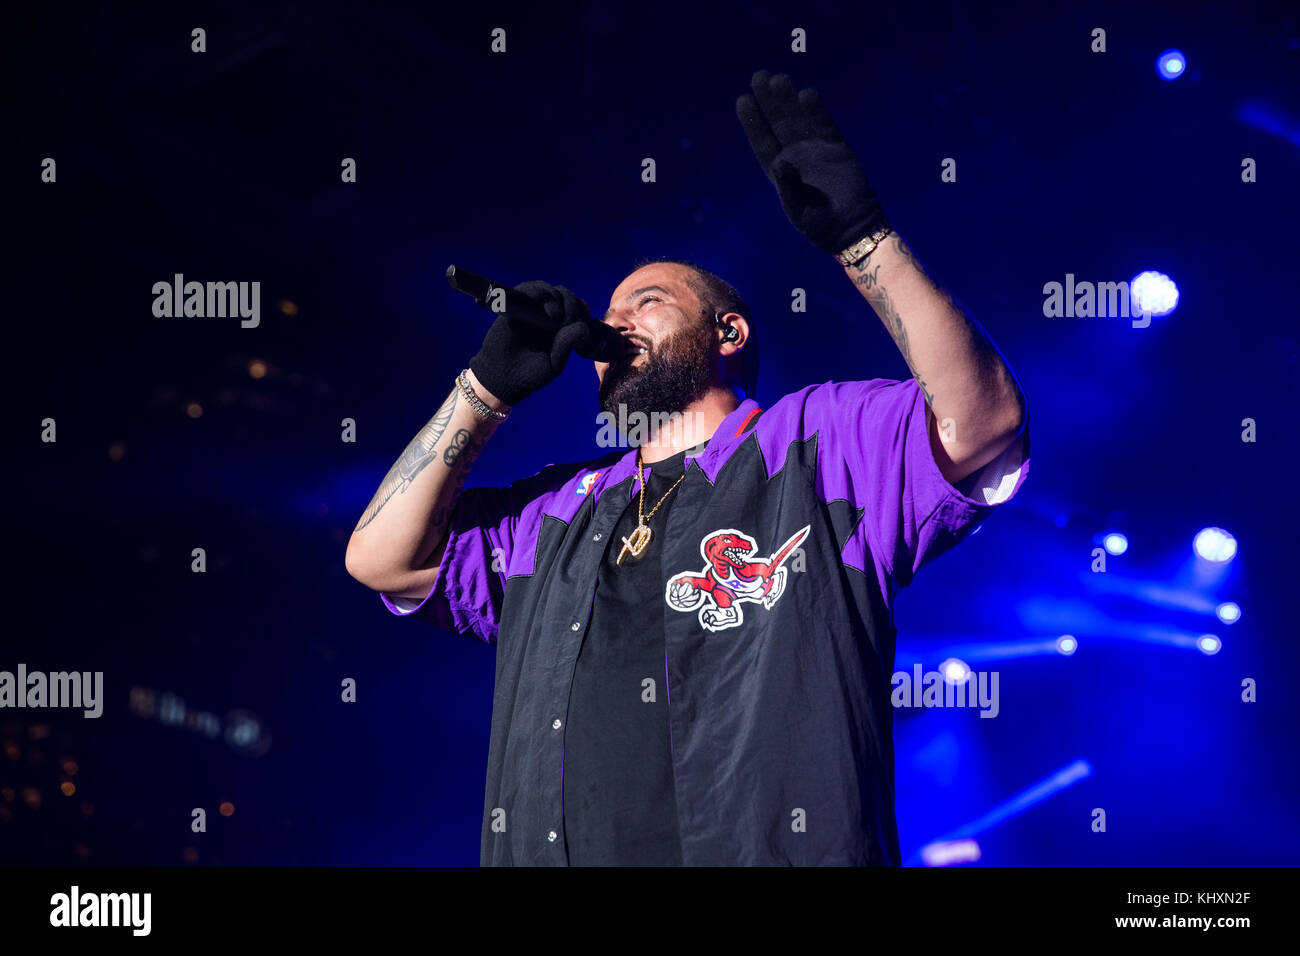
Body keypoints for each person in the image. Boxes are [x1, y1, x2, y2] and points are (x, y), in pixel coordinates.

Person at [345, 71, 1029, 865]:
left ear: (727, 333)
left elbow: (984, 423)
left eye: (648, 302)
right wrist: (485, 391)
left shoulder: (817, 444)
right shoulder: (557, 511)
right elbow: (381, 558)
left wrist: (863, 237)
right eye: (609, 315)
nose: (614, 323)